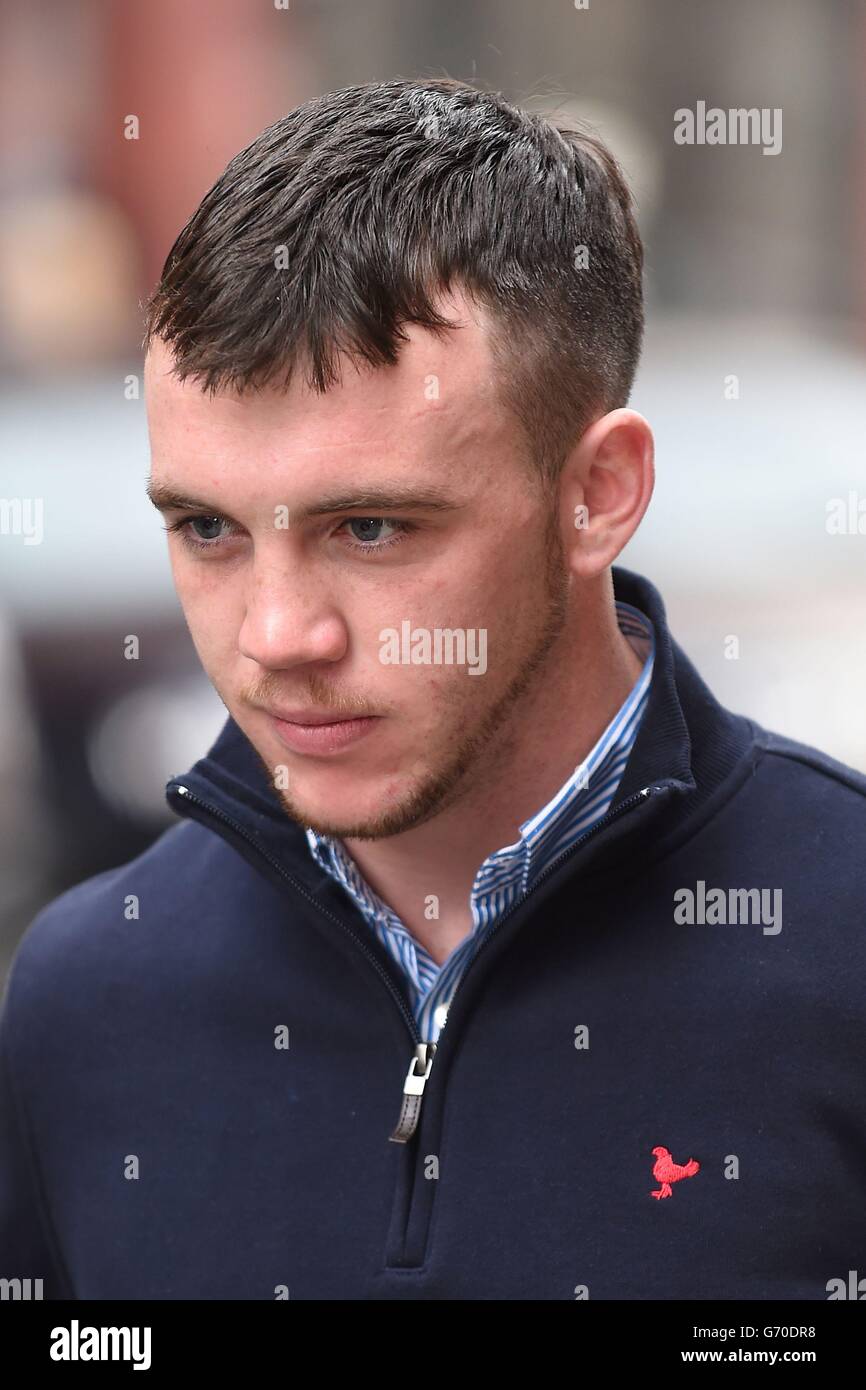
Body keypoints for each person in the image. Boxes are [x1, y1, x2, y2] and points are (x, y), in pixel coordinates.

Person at [1, 77, 864, 1302]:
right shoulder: (84, 1000)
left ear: (598, 494)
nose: (276, 634)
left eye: (369, 528)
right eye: (206, 527)